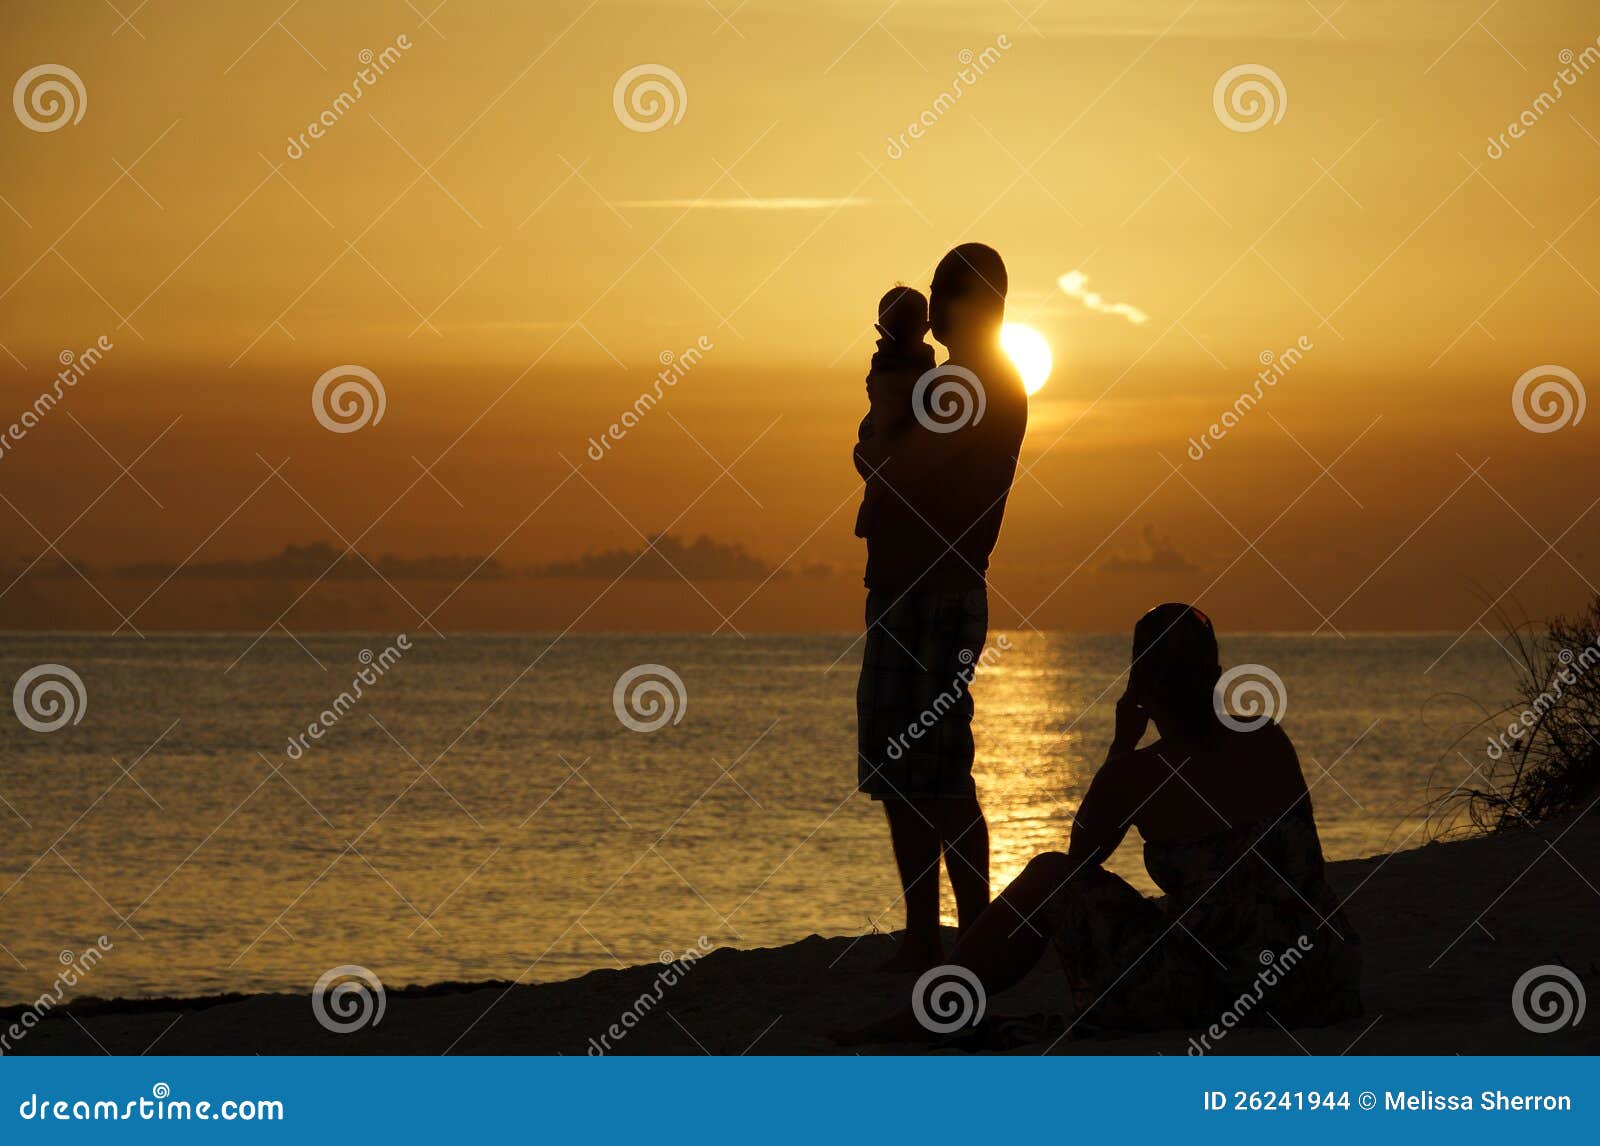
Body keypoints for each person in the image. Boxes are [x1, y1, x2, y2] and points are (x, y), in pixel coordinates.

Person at [845, 604, 1363, 1042]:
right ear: (1215, 675)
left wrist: (1121, 745)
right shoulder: (1268, 739)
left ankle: (933, 1009)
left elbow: (1080, 861)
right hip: (1321, 981)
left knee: (1048, 873)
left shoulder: (1140, 774)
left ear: (1140, 683)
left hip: (1227, 995)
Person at [852, 243, 1029, 971]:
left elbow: (892, 463)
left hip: (937, 589)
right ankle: (927, 933)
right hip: (905, 586)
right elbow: (885, 458)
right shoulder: (955, 379)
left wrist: (878, 429)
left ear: (974, 303)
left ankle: (973, 930)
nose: (930, 314)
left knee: (942, 772)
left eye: (940, 296)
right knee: (905, 771)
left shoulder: (978, 383)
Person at [854, 286, 936, 542]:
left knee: (879, 469)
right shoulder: (893, 359)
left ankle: (871, 510)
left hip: (898, 434)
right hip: (887, 429)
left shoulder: (913, 362)